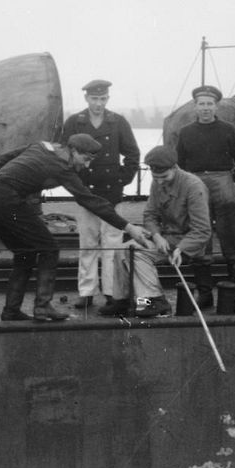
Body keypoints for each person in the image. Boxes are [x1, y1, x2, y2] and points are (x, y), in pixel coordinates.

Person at [0, 133, 149, 322]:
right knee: (50, 248)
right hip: (9, 202)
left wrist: (3, 181)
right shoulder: (62, 168)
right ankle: (43, 307)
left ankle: (11, 311)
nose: (86, 165)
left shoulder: (41, 146)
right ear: (74, 150)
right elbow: (89, 200)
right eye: (85, 159)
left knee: (25, 253)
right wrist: (128, 227)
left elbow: (3, 159)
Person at [100, 145, 212, 318]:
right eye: (155, 177)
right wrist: (157, 235)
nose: (159, 181)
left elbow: (202, 231)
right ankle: (123, 300)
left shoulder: (193, 186)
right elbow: (150, 215)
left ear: (175, 168)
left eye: (164, 177)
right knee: (122, 249)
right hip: (164, 238)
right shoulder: (158, 182)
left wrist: (181, 249)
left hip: (187, 243)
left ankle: (155, 301)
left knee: (137, 253)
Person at [60, 79, 140, 310]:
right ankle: (86, 293)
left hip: (111, 194)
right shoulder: (75, 122)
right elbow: (66, 154)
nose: (98, 103)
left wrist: (121, 179)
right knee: (87, 244)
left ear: (108, 98)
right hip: (85, 194)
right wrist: (75, 184)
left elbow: (133, 154)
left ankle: (111, 293)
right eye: (94, 99)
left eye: (103, 99)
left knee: (112, 245)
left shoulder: (118, 122)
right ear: (86, 98)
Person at [175, 84, 235, 305]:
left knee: (232, 236)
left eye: (209, 104)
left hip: (223, 180)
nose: (205, 108)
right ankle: (204, 292)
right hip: (195, 182)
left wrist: (234, 184)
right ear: (195, 107)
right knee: (200, 235)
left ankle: (234, 291)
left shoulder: (228, 130)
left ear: (216, 106)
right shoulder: (186, 132)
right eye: (201, 104)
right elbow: (179, 165)